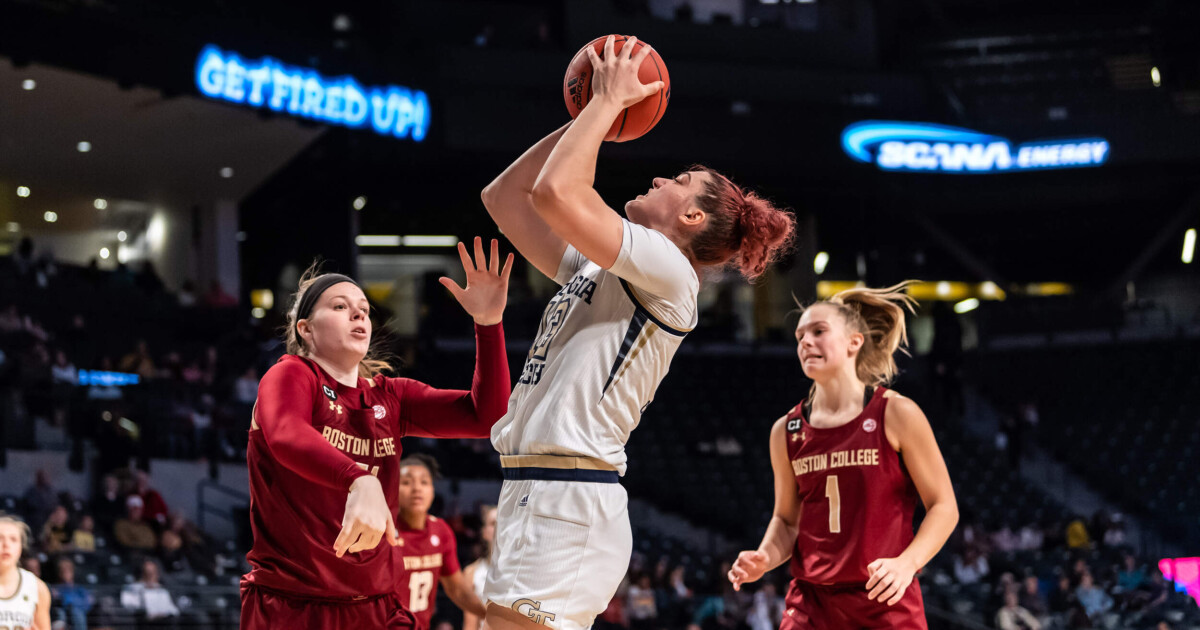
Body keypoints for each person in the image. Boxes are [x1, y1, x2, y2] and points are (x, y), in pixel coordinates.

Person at [480, 35, 795, 630]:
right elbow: (505, 199)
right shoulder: (606, 267)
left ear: (692, 217)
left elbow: (555, 193)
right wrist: (590, 109)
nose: (658, 178)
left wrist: (604, 111)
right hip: (539, 493)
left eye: (677, 180)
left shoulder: (671, 271)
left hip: (567, 499)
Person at [240, 245, 513, 630]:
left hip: (378, 606)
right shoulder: (291, 375)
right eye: (339, 306)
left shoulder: (391, 396)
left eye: (364, 309)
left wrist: (488, 323)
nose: (358, 313)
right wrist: (357, 478)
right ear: (305, 329)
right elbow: (286, 434)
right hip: (295, 607)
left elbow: (489, 417)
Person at [727, 284, 959, 629]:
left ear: (854, 341)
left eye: (818, 331)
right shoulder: (786, 431)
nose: (805, 342)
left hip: (884, 600)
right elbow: (788, 522)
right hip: (811, 603)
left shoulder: (896, 413)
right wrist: (764, 556)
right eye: (799, 335)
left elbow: (944, 506)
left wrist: (907, 563)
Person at [394, 454, 487, 629]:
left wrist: (489, 616)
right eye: (406, 482)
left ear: (433, 490)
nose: (416, 489)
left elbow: (457, 590)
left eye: (424, 482)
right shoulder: (384, 530)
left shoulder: (441, 530)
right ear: (393, 488)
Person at [0, 514, 52, 630]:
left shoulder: (37, 588)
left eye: (13, 539)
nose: (6, 545)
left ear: (20, 547)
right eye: (0, 538)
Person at [462, 505, 497, 630]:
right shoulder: (471, 572)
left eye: (503, 522)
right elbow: (470, 625)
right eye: (493, 523)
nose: (499, 527)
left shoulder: (522, 570)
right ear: (484, 532)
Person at [120, 560, 179, 627]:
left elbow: (173, 610)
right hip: (142, 623)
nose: (150, 576)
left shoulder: (162, 591)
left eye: (153, 573)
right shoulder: (131, 588)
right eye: (147, 573)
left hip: (162, 623)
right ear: (141, 573)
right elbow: (129, 607)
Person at [52, 557, 93, 630]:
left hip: (78, 617)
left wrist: (70, 602)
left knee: (76, 613)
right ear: (59, 573)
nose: (65, 573)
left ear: (72, 572)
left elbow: (88, 604)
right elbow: (60, 602)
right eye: (63, 570)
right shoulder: (56, 589)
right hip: (65, 617)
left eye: (68, 570)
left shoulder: (79, 589)